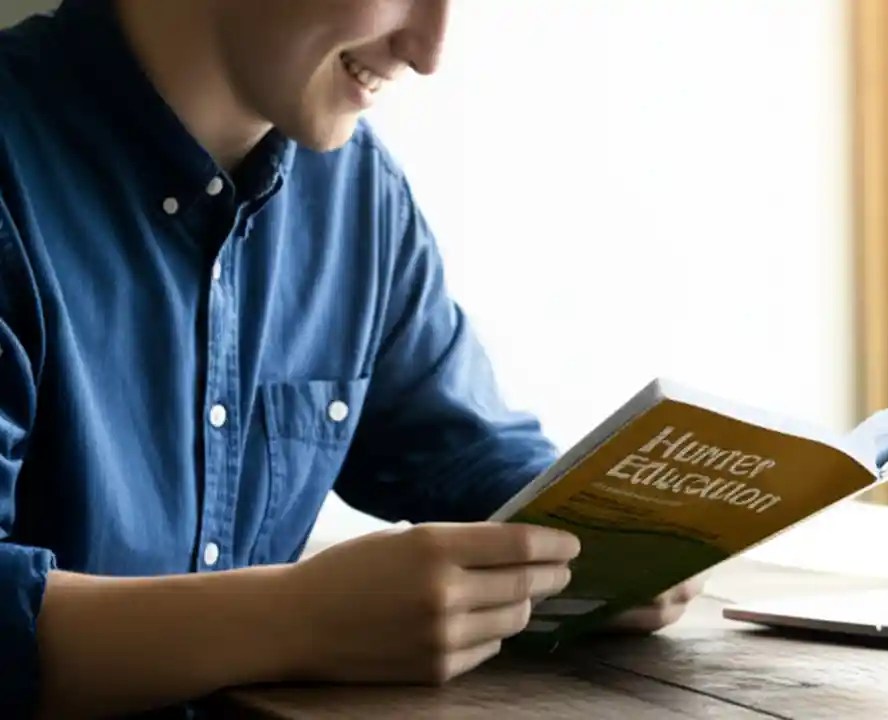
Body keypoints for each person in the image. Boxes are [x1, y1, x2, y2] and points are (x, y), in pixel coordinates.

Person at [0, 1, 706, 717]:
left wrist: (610, 546)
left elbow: (468, 458)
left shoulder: (358, 199)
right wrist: (296, 618)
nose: (427, 50)